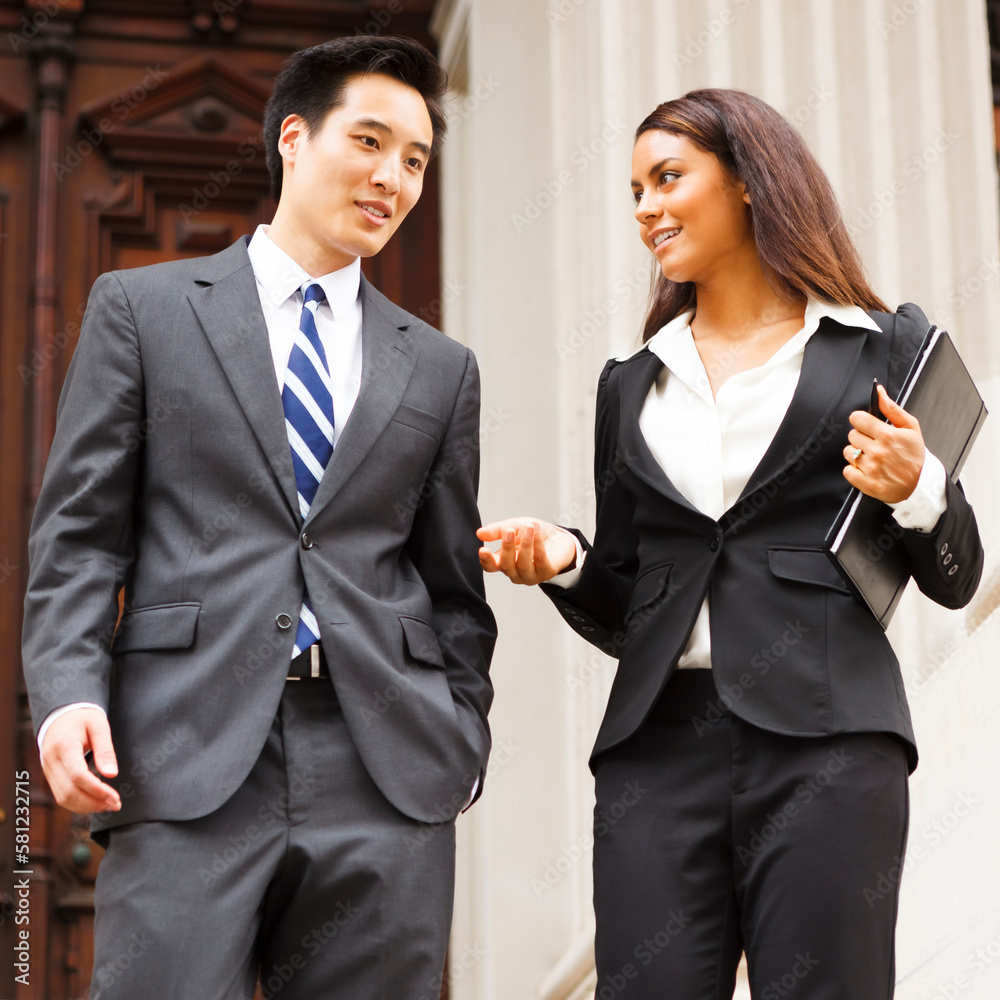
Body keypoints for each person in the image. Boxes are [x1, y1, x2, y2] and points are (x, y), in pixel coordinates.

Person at [478, 89, 982, 999]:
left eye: (668, 178)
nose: (645, 208)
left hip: (829, 743)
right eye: (634, 190)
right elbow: (637, 604)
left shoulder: (881, 349)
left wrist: (918, 489)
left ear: (748, 179)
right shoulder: (630, 383)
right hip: (656, 755)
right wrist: (568, 560)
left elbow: (958, 578)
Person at [23, 35, 496, 1000]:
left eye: (414, 160)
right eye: (369, 142)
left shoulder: (440, 368)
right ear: (293, 136)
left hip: (387, 768)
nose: (392, 179)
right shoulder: (143, 310)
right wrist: (69, 690)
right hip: (184, 750)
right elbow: (80, 532)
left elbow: (452, 583)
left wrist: (464, 736)